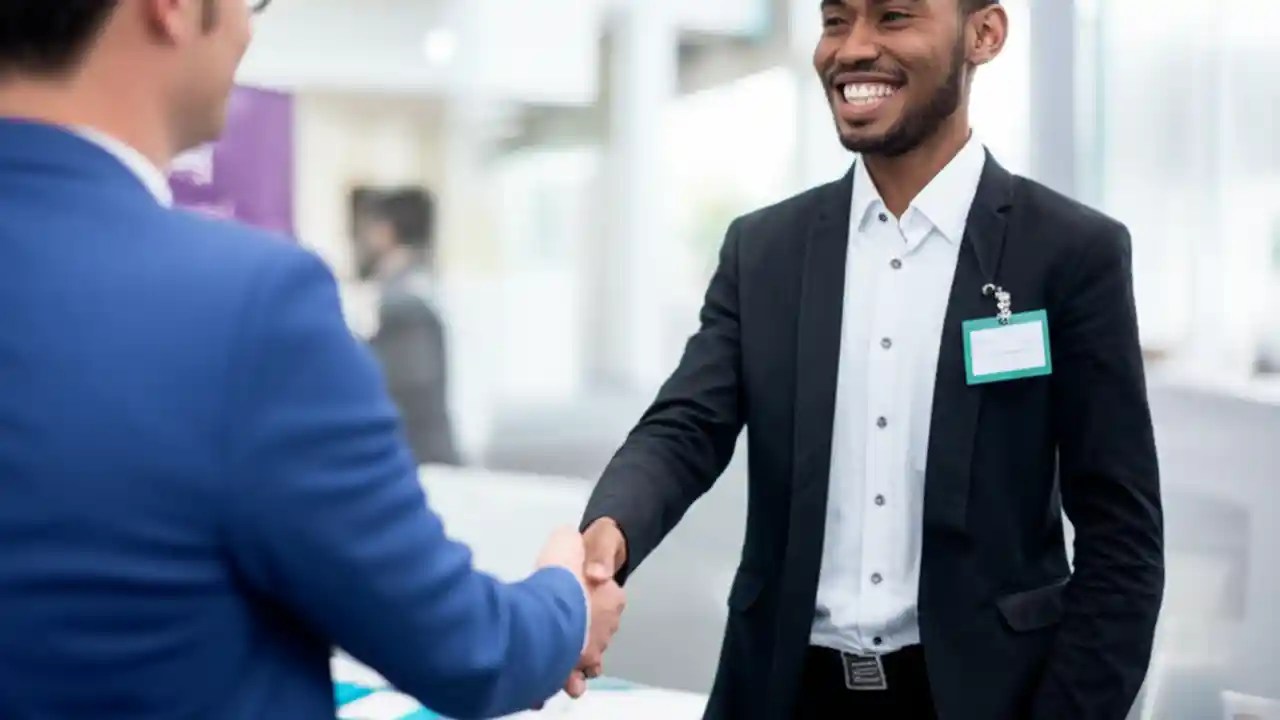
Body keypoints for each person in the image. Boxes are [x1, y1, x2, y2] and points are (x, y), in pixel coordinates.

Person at [0, 1, 622, 718]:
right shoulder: (248, 305)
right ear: (170, 7)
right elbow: (467, 648)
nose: (248, 28)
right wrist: (566, 601)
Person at [577, 1, 1164, 718]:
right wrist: (611, 532)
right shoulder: (765, 251)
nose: (852, 49)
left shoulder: (1069, 255)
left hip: (986, 698)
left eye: (892, 17)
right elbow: (685, 426)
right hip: (786, 693)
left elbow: (1123, 541)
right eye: (834, 21)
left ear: (984, 34)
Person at [356, 187, 463, 467]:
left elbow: (406, 385)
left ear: (386, 231)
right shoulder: (419, 284)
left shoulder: (404, 300)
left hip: (422, 456)